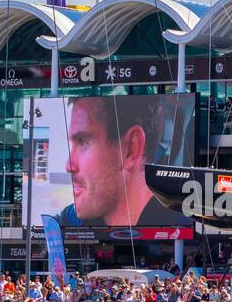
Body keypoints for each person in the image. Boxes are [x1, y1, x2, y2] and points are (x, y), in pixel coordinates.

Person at [65, 96, 183, 228]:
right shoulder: (69, 220)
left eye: (82, 141)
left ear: (131, 149)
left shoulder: (176, 226)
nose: (69, 166)